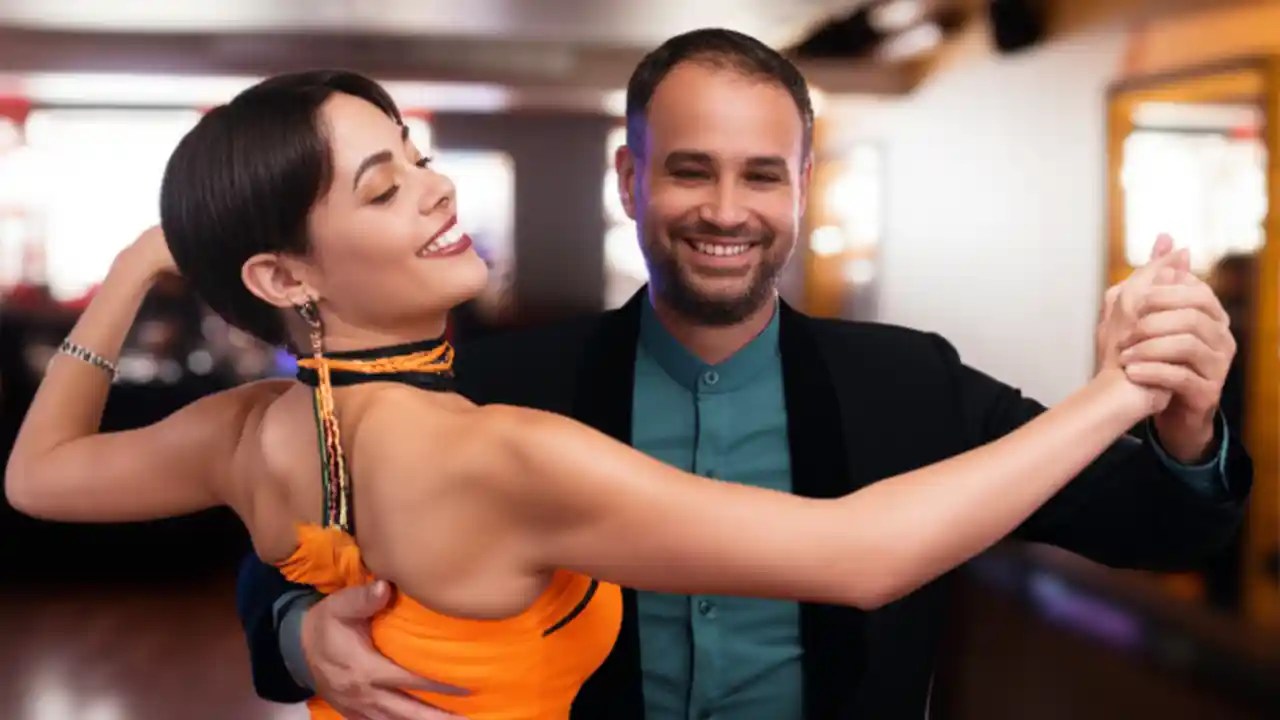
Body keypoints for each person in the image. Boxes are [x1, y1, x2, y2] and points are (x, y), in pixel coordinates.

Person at [235, 29, 1251, 720]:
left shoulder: (911, 382)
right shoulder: (483, 386)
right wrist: (297, 632)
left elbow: (1152, 524)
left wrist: (1184, 418)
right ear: (629, 179)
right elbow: (281, 544)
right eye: (689, 170)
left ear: (801, 188)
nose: (726, 209)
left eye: (761, 174)